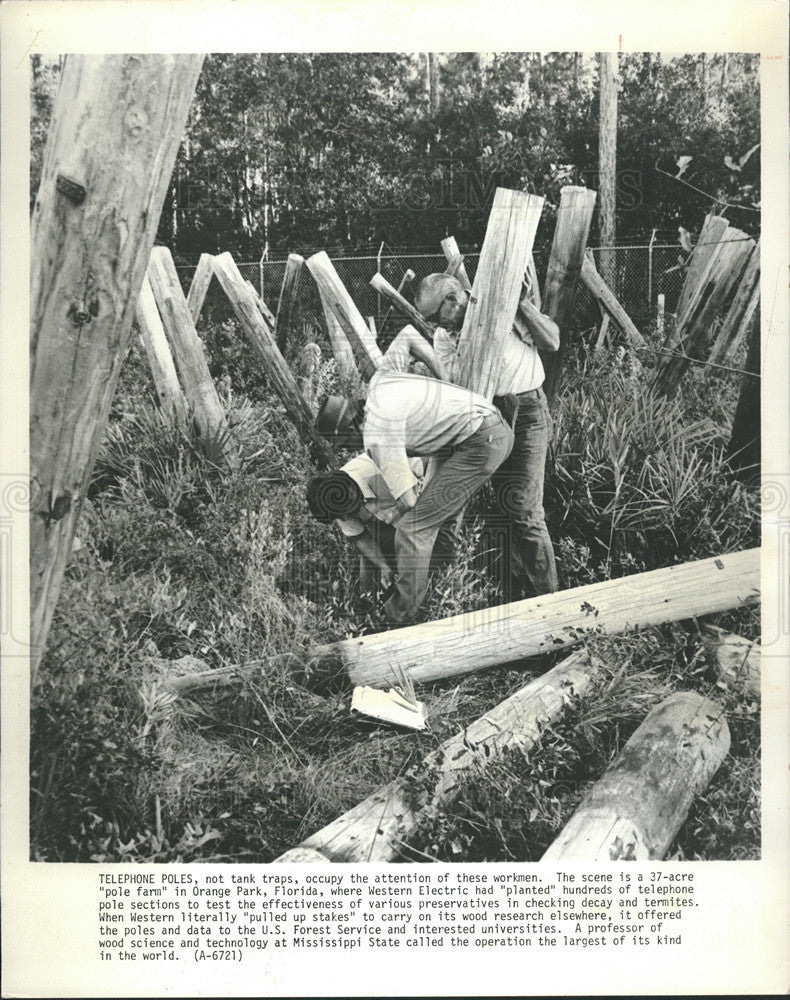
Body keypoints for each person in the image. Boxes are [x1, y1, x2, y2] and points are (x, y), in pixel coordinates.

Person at [310, 325, 514, 623]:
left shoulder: (377, 436)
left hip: (480, 441)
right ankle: (437, 588)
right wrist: (444, 379)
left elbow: (408, 503)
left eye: (343, 445)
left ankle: (399, 619)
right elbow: (407, 333)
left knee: (413, 529)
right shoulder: (379, 382)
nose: (349, 451)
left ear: (349, 432)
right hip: (476, 428)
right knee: (428, 522)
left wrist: (404, 544)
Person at [414, 270, 560, 600]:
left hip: (527, 411)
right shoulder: (444, 337)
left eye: (435, 317)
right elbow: (455, 384)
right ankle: (515, 595)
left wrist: (523, 305)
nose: (435, 326)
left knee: (525, 510)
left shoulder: (501, 301)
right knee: (504, 507)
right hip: (486, 417)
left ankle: (550, 602)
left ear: (453, 299)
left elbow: (552, 341)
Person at [306, 450, 424, 599]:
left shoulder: (379, 473)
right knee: (371, 556)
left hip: (420, 497)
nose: (345, 518)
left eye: (345, 512)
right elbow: (361, 538)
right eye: (340, 516)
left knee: (421, 557)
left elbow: (413, 504)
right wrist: (383, 566)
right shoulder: (337, 500)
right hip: (390, 517)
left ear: (352, 493)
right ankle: (367, 600)